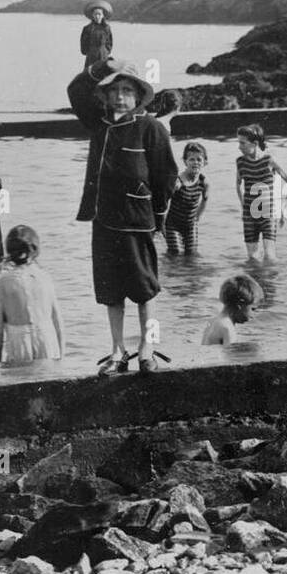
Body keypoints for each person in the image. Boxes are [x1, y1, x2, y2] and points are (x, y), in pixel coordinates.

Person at [68, 58, 178, 376]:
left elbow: (166, 178)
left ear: (138, 96)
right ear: (106, 95)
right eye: (114, 90)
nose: (120, 96)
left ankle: (147, 349)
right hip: (103, 219)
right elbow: (75, 90)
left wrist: (157, 218)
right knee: (110, 291)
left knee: (146, 289)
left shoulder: (152, 128)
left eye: (127, 90)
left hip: (138, 221)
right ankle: (117, 351)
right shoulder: (99, 126)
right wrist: (102, 65)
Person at [0, 225, 65, 364]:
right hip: (46, 338)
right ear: (35, 249)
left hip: (19, 342)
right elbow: (58, 323)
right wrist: (62, 357)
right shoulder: (45, 277)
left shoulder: (4, 281)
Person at [236, 123, 287, 262]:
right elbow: (238, 185)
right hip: (249, 214)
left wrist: (285, 209)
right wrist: (243, 205)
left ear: (254, 143)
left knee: (269, 256)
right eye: (239, 143)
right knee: (252, 258)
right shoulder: (240, 162)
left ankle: (274, 282)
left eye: (243, 143)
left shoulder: (268, 160)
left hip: (268, 213)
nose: (239, 147)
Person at [164, 142, 209, 255]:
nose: (195, 163)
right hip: (172, 224)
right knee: (176, 252)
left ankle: (190, 273)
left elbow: (204, 201)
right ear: (185, 161)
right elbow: (165, 202)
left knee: (192, 254)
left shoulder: (204, 183)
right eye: (191, 159)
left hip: (190, 225)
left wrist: (197, 218)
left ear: (205, 162)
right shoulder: (178, 182)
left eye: (199, 159)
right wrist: (162, 224)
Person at [201, 275, 263, 345]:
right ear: (240, 306)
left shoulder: (212, 322)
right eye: (253, 309)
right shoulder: (228, 328)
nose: (254, 315)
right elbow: (230, 354)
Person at [80, 0, 114, 70]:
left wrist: (105, 51)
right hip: (91, 57)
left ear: (103, 16)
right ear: (92, 16)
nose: (97, 16)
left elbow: (109, 43)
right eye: (95, 14)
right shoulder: (87, 28)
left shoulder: (106, 28)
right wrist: (90, 52)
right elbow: (83, 45)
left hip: (103, 56)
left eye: (99, 14)